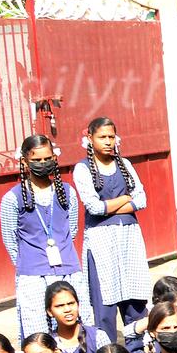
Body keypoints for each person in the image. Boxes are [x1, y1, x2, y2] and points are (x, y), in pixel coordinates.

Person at [0, 134, 83, 339]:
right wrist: (29, 261)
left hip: (68, 269)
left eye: (47, 159)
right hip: (33, 275)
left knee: (73, 326)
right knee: (37, 332)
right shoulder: (12, 198)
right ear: (24, 162)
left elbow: (71, 229)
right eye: (36, 160)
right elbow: (10, 240)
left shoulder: (67, 192)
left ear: (54, 159)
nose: (42, 164)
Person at [72, 117, 150, 334]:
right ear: (90, 138)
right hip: (101, 239)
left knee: (134, 294)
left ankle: (137, 346)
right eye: (102, 137)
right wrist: (126, 199)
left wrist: (111, 205)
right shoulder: (82, 169)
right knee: (104, 296)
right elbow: (94, 207)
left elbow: (142, 200)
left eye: (111, 137)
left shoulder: (125, 165)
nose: (107, 142)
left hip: (129, 236)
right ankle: (108, 350)